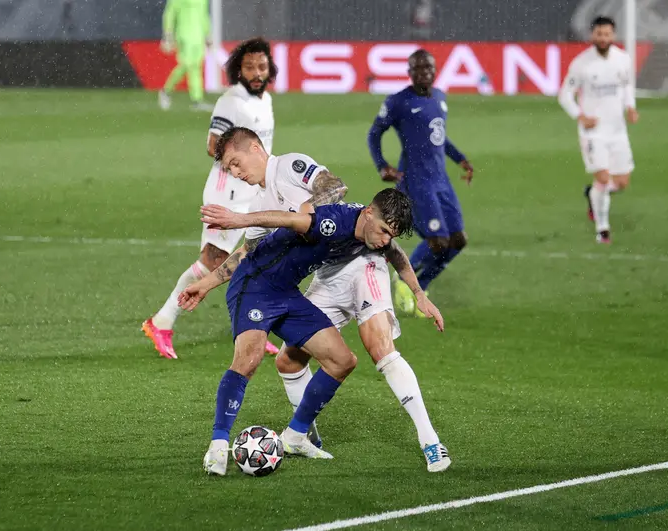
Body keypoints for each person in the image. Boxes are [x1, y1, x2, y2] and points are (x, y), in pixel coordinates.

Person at [203, 127, 452, 471]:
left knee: (379, 347)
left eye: (235, 163)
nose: (234, 172)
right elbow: (251, 249)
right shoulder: (261, 202)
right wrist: (207, 282)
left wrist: (420, 295)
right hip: (326, 273)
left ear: (256, 149)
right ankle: (298, 437)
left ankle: (431, 443)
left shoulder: (291, 169)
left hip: (362, 263)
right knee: (289, 362)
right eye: (228, 168)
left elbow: (336, 193)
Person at [143, 39, 278, 359]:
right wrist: (239, 162)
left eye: (262, 66)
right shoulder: (231, 101)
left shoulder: (266, 99)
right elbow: (212, 144)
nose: (257, 73)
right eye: (249, 67)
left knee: (257, 258)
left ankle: (254, 330)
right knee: (213, 263)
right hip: (227, 191)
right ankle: (162, 321)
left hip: (255, 190)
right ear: (238, 69)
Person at [368, 49, 474, 317]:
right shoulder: (398, 102)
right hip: (416, 181)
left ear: (435, 71)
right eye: (419, 69)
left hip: (441, 180)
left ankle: (421, 284)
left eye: (429, 68)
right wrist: (382, 166)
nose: (425, 73)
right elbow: (374, 133)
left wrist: (460, 158)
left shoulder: (440, 98)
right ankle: (405, 277)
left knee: (458, 240)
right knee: (437, 241)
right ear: (410, 72)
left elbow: (438, 137)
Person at [558, 16, 639, 244]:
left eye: (607, 34)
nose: (603, 38)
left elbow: (626, 86)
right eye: (599, 34)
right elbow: (564, 95)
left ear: (613, 35)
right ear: (592, 35)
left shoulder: (623, 59)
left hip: (618, 130)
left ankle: (592, 195)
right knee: (603, 178)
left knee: (621, 182)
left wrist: (630, 107)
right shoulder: (581, 63)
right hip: (594, 132)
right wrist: (580, 116)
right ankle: (602, 230)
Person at [158, 0, 212, 111]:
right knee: (187, 64)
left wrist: (207, 34)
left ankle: (197, 100)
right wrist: (168, 33)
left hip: (198, 36)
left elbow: (204, 16)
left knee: (196, 66)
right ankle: (166, 91)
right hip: (183, 35)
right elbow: (170, 13)